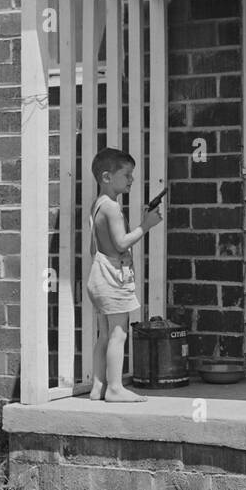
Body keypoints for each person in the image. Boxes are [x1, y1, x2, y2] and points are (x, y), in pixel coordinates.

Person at [86, 147, 162, 403]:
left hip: (99, 275)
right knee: (119, 334)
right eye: (127, 174)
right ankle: (115, 388)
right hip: (113, 278)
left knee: (104, 335)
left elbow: (94, 246)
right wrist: (146, 225)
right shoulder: (113, 209)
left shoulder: (97, 205)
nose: (132, 179)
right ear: (107, 177)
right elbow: (120, 244)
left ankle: (98, 386)